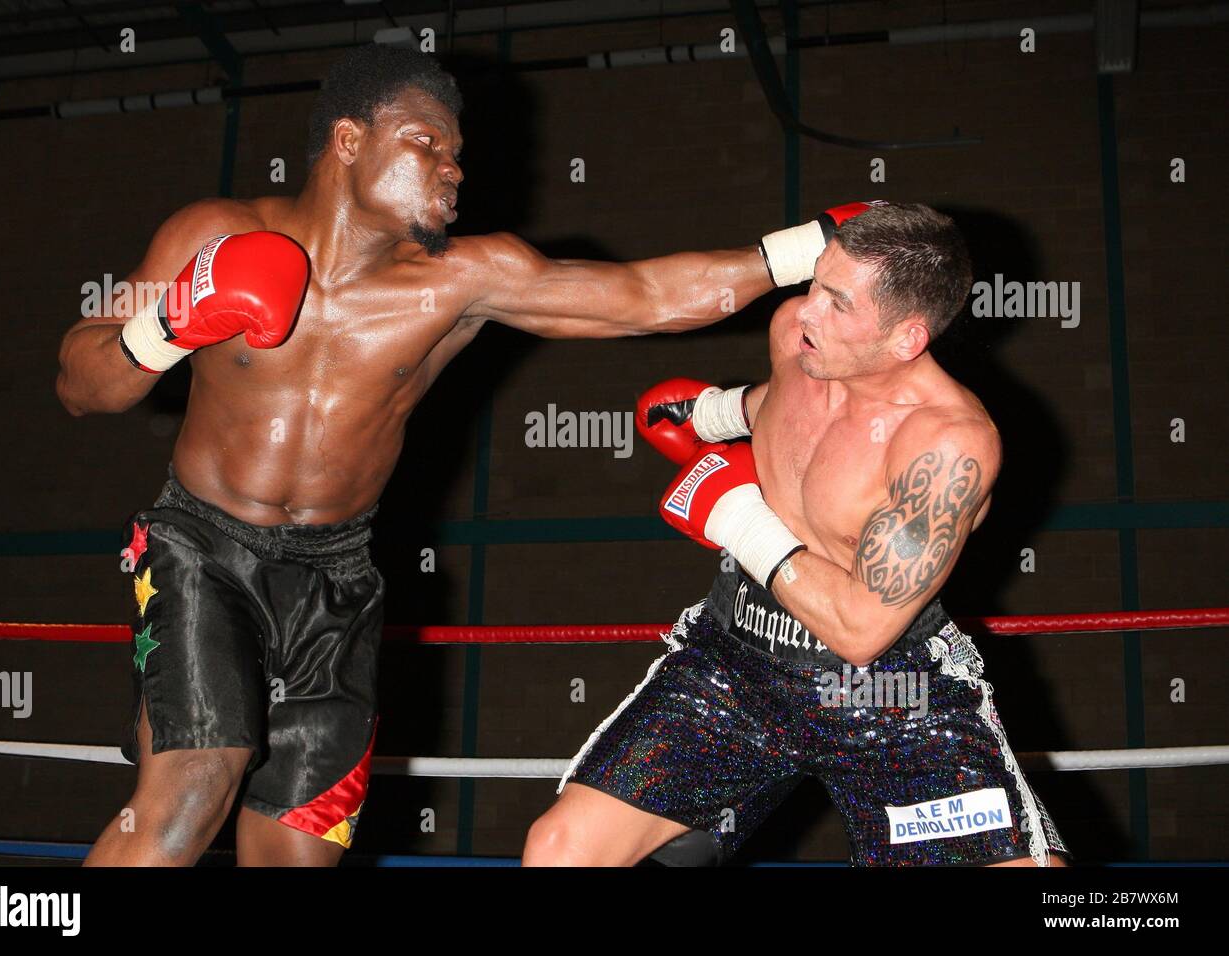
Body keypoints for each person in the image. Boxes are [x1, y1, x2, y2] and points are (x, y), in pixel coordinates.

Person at [56, 43, 861, 866]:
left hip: (338, 579)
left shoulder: (462, 280)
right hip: (202, 548)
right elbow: (80, 382)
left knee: (300, 854)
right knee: (192, 785)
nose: (453, 170)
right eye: (426, 144)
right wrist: (168, 325)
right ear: (347, 141)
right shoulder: (212, 233)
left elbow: (645, 298)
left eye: (458, 154)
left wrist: (813, 247)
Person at [525, 202, 1070, 867]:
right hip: (733, 661)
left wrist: (734, 516)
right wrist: (707, 412)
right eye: (813, 283)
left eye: (838, 303)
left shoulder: (947, 444)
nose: (805, 310)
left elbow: (861, 630)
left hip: (886, 694)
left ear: (907, 339)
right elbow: (777, 404)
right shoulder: (796, 335)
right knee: (559, 849)